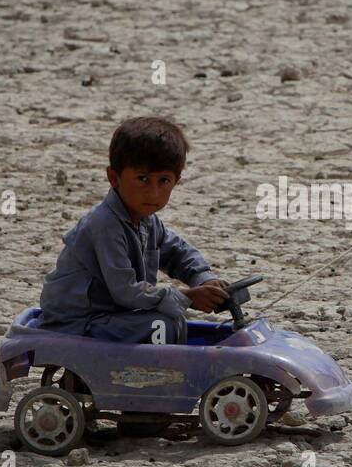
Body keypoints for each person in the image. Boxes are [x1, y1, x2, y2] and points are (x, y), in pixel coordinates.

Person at [36, 116, 228, 343]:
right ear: (113, 178)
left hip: (113, 315)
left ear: (176, 181)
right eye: (143, 179)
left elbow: (177, 252)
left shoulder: (148, 221)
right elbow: (125, 291)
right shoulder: (105, 225)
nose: (153, 193)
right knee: (164, 325)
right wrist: (187, 297)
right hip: (78, 322)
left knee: (172, 320)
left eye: (164, 181)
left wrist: (204, 279)